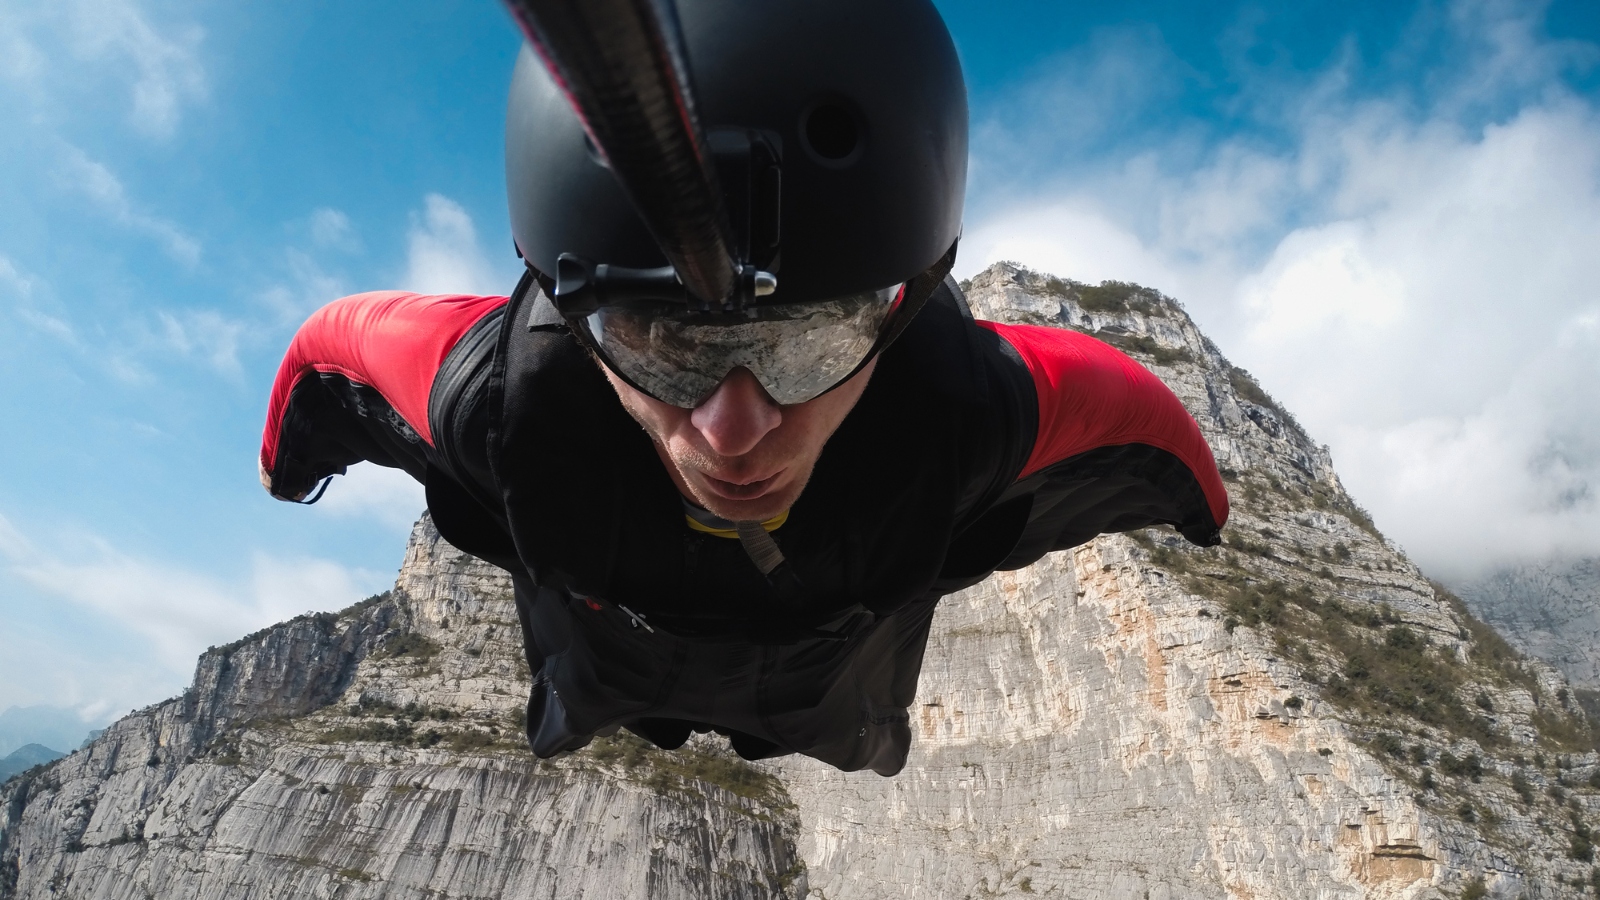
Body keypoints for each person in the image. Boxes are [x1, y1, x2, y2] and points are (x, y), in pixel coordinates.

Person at [258, 0, 1228, 776]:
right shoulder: (503, 400)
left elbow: (328, 352)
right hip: (793, 681)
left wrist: (285, 466)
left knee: (714, 714)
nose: (732, 430)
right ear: (576, 318)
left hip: (645, 666)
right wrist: (1201, 508)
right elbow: (1147, 426)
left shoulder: (959, 416)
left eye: (811, 338)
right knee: (757, 716)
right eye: (655, 338)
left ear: (902, 312)